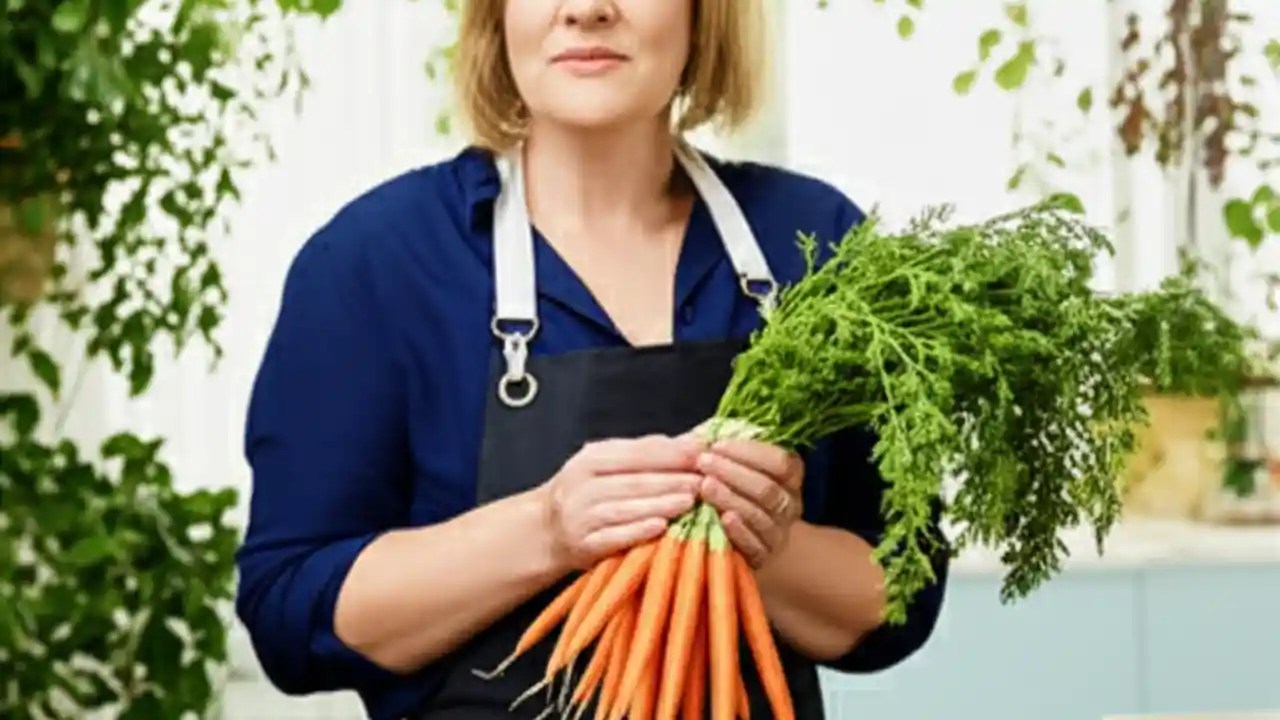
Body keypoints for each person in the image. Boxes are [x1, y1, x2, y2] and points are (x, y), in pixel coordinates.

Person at [234, 1, 950, 718]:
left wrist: (767, 544)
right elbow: (290, 611)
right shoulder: (375, 264)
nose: (585, 9)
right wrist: (546, 529)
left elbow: (901, 596)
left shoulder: (816, 245)